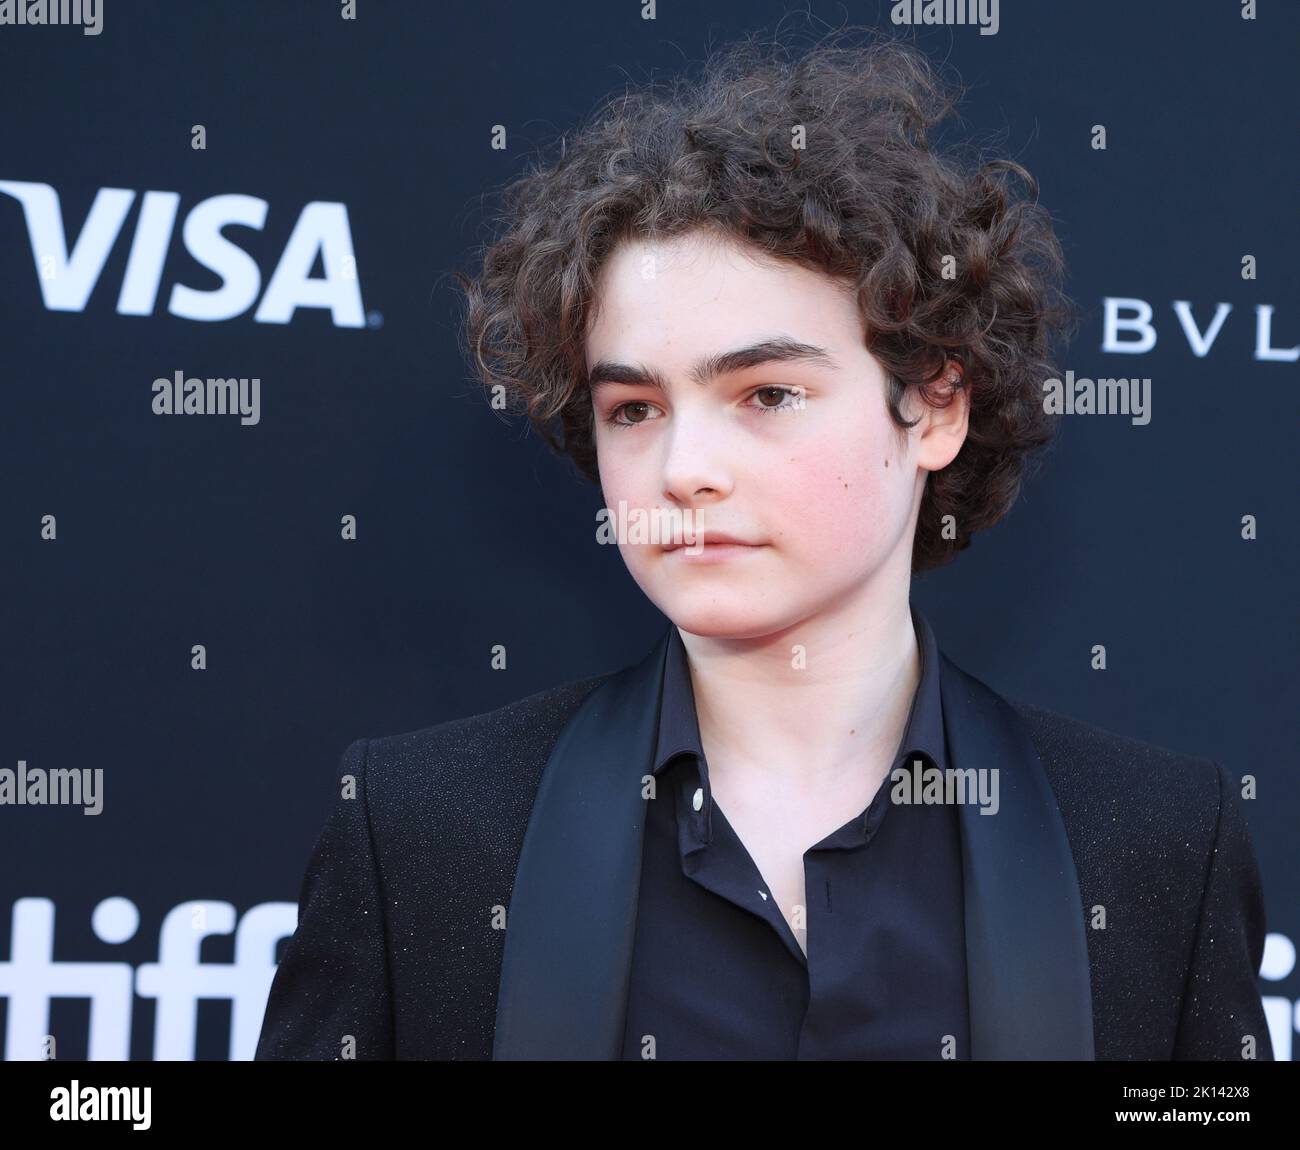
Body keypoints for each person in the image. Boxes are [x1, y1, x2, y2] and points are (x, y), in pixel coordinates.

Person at [254, 28, 1272, 1061]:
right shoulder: (425, 834)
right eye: (634, 408)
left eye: (766, 394)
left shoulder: (1152, 847)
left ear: (935, 406)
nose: (685, 466)